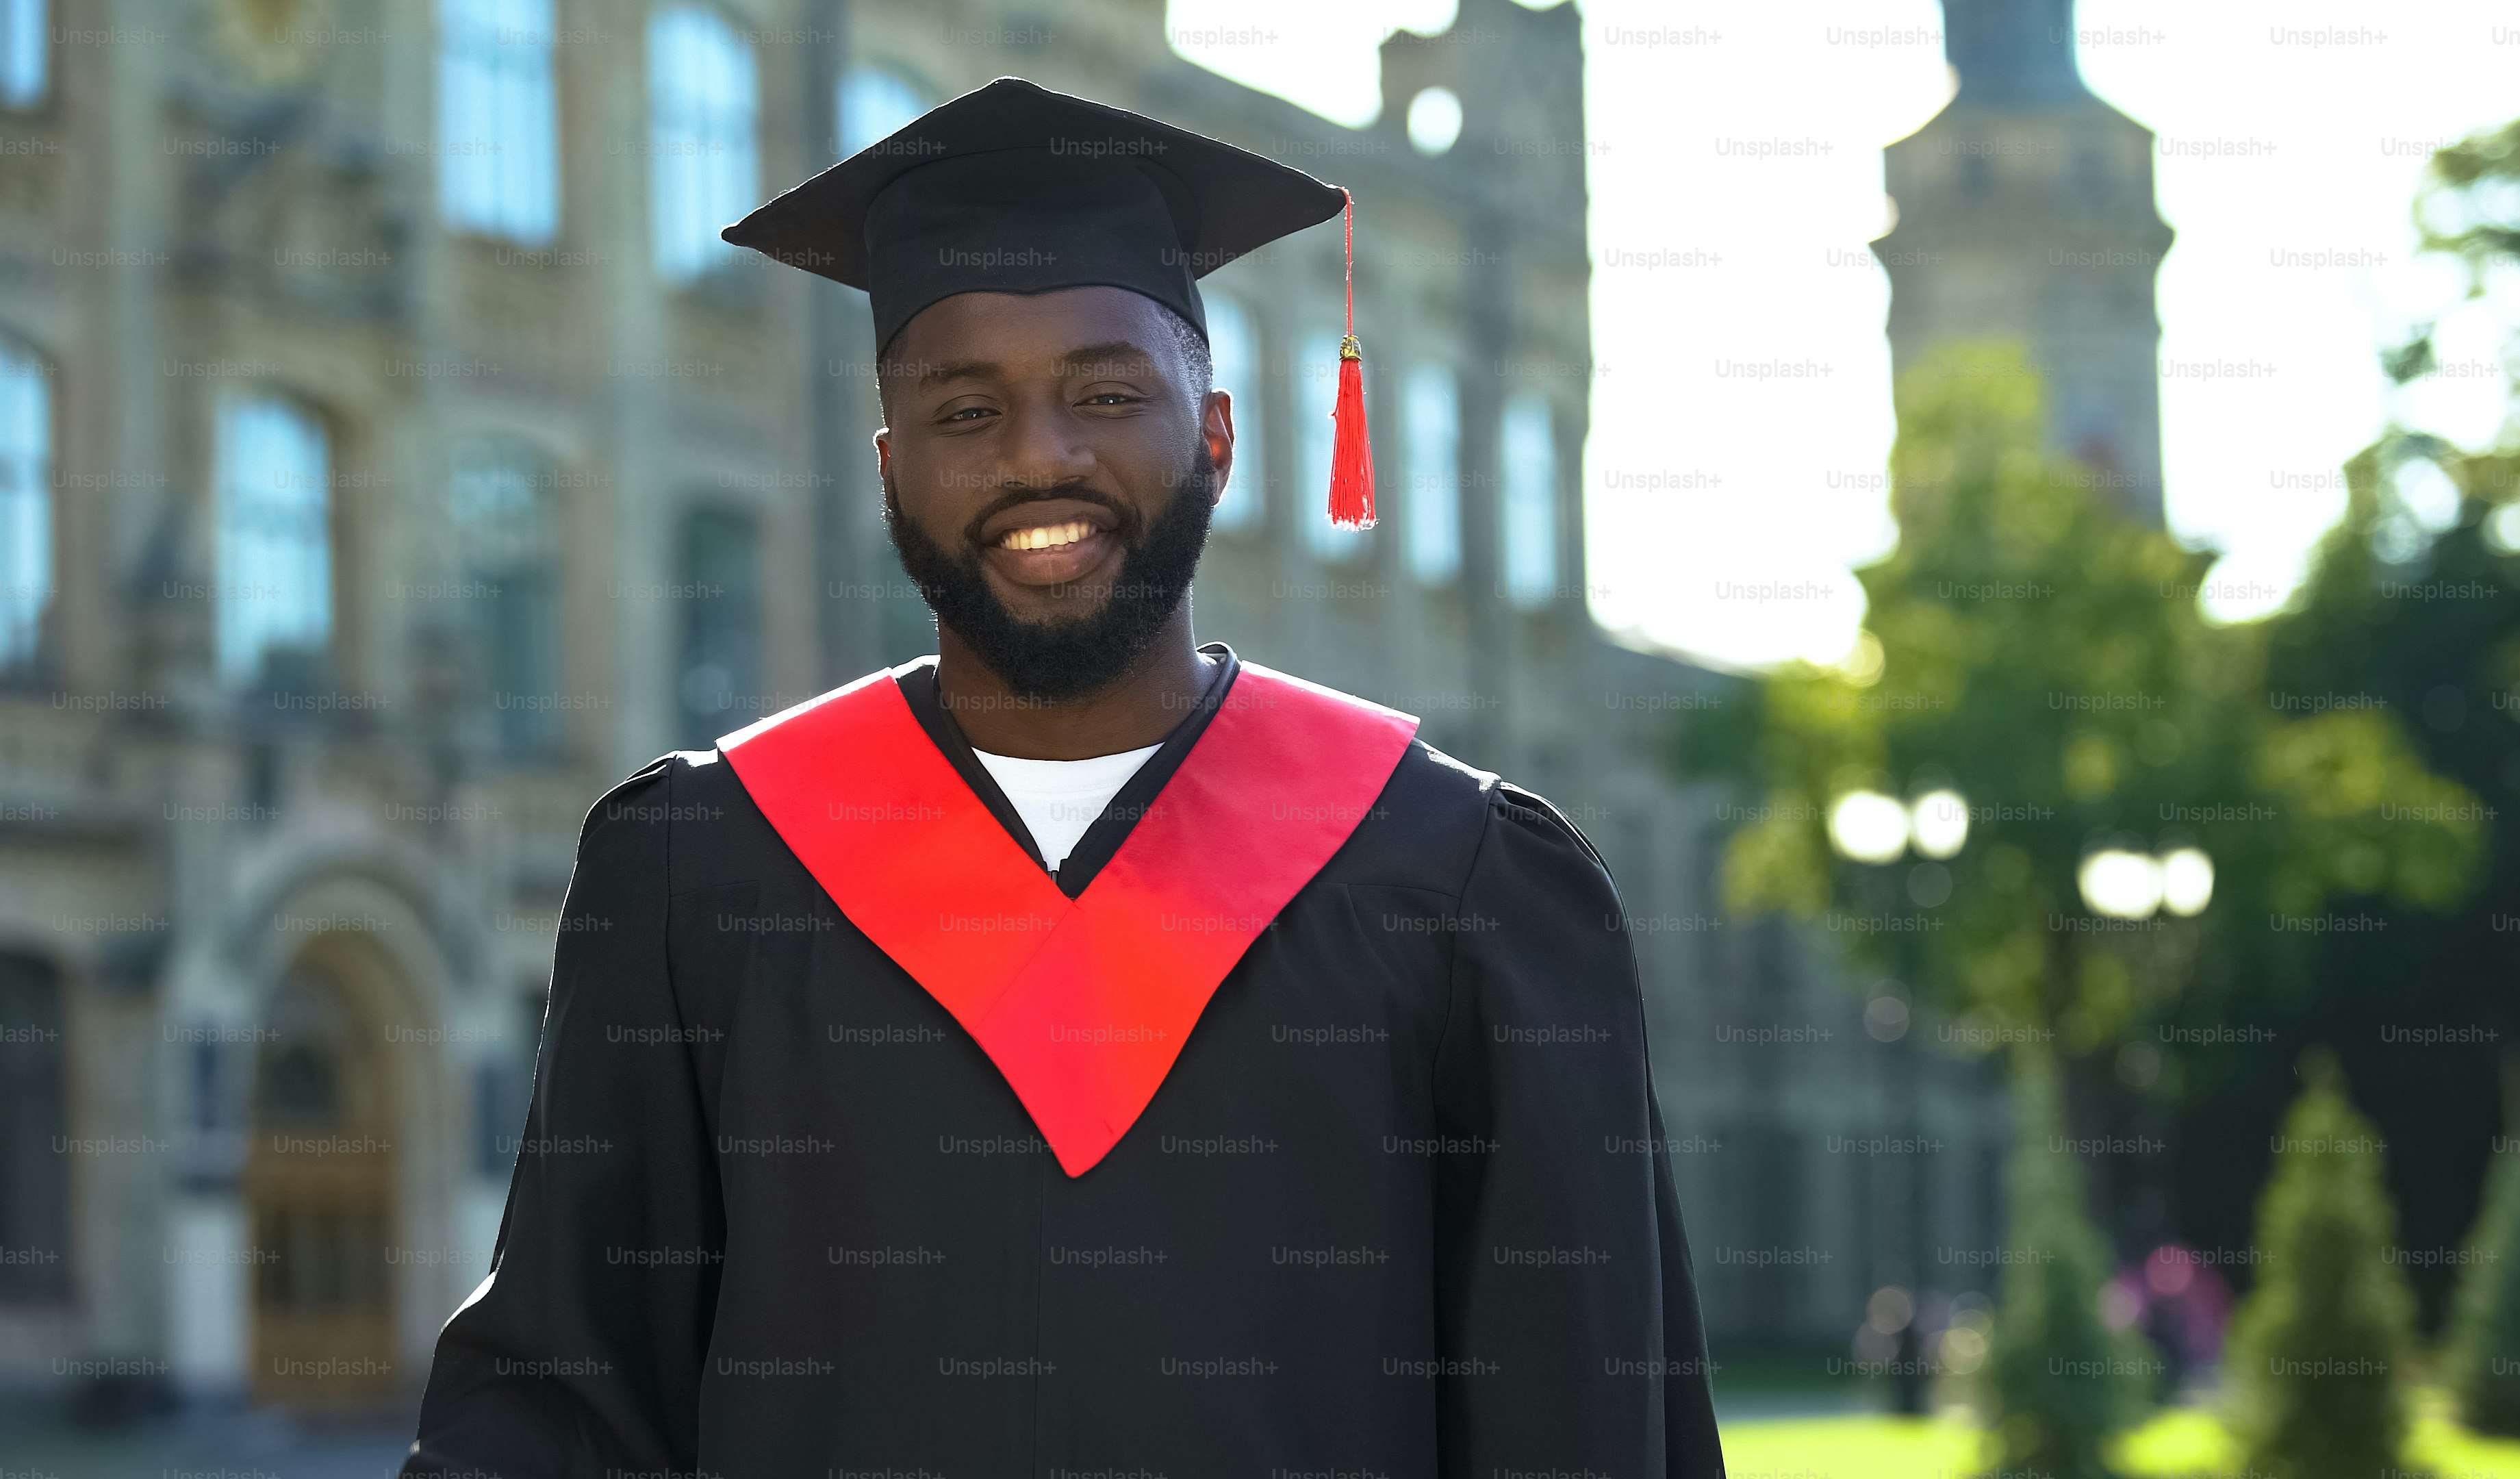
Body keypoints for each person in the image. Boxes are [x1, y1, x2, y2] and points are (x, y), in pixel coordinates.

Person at [402, 76, 1723, 1479]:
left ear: (1216, 435)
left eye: (1106, 393)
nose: (1041, 456)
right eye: (965, 412)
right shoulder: (700, 874)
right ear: (892, 466)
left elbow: (1580, 1417)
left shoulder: (1461, 882)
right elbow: (561, 1410)